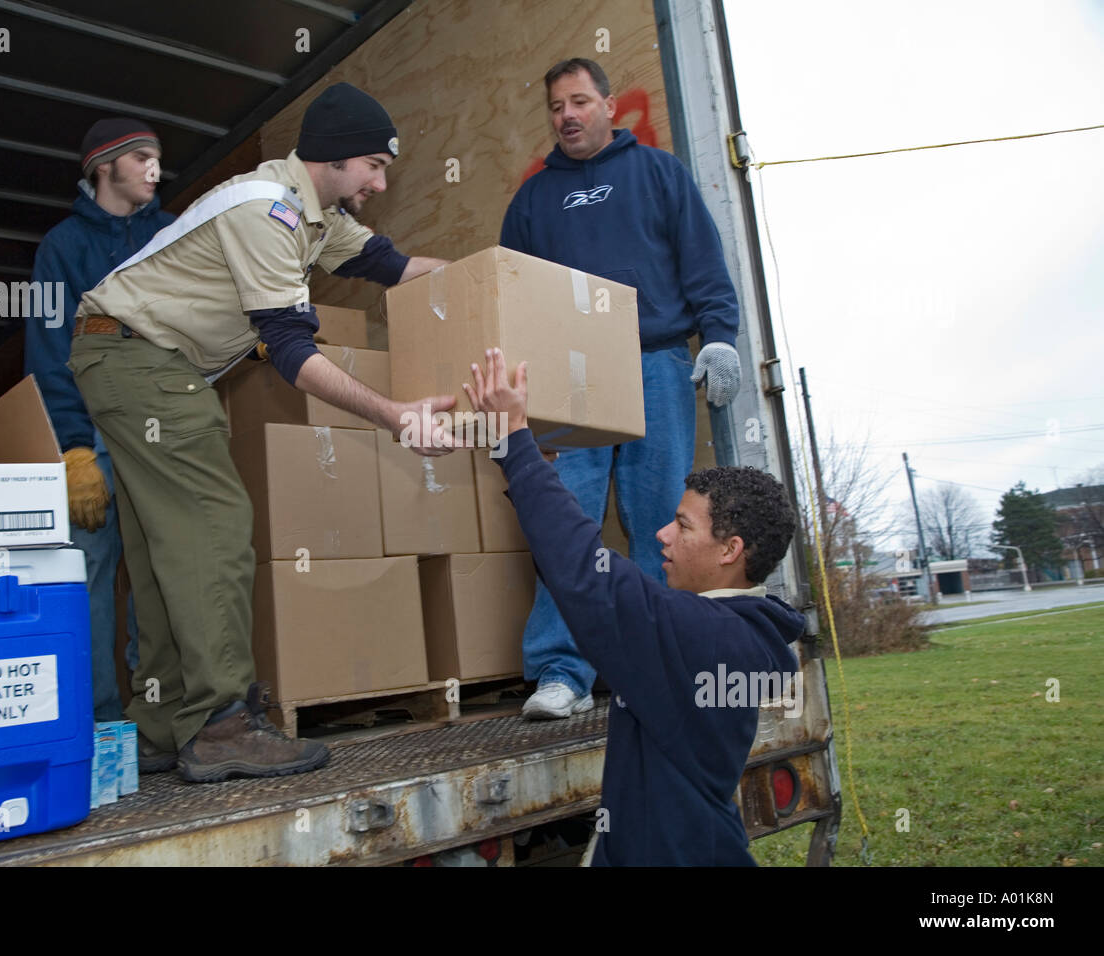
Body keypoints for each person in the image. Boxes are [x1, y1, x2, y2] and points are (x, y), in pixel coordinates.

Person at [69, 83, 454, 783]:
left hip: (126, 355)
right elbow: (291, 353)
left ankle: (162, 722)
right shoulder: (264, 213)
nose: (382, 180)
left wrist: (485, 282)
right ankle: (220, 724)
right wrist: (396, 416)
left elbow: (391, 268)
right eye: (372, 164)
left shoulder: (314, 212)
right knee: (214, 526)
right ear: (335, 159)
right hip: (141, 357)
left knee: (165, 547)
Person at [465, 348, 804, 865]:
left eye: (683, 526)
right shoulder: (740, 635)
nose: (662, 535)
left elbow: (587, 572)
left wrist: (515, 441)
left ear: (730, 551)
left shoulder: (706, 640)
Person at [499, 57, 746, 720]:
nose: (568, 116)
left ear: (608, 105)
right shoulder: (532, 200)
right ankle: (562, 671)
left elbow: (703, 264)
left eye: (580, 101)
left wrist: (719, 337)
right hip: (569, 373)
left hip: (654, 361)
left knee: (662, 523)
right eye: (557, 107)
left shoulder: (659, 174)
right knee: (564, 521)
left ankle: (650, 666)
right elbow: (513, 298)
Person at [25, 118, 175, 722]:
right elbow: (48, 348)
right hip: (94, 436)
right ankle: (99, 724)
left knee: (161, 576)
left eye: (157, 158)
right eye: (140, 157)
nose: (153, 168)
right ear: (102, 166)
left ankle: (157, 722)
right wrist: (73, 448)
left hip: (161, 431)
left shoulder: (171, 234)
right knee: (87, 576)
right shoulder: (61, 247)